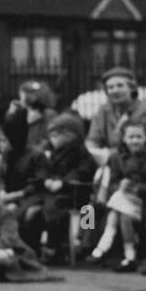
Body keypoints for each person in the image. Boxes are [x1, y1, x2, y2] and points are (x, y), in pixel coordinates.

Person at [90, 120, 146, 272]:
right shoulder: (117, 157)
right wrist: (120, 185)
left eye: (139, 136)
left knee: (115, 206)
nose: (135, 140)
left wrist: (132, 187)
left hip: (145, 199)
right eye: (131, 137)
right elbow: (112, 182)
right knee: (90, 208)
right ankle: (88, 243)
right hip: (119, 200)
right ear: (124, 139)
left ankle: (110, 244)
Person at [21, 112, 97, 264]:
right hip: (50, 194)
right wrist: (46, 180)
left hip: (74, 196)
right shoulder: (50, 152)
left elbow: (82, 173)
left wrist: (62, 183)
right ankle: (31, 250)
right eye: (51, 135)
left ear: (70, 135)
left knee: (49, 210)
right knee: (29, 211)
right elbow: (42, 170)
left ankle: (53, 248)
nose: (52, 138)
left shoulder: (81, 154)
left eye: (56, 135)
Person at [85, 66, 146, 169]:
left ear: (131, 88)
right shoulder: (103, 110)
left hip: (136, 162)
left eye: (120, 85)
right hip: (106, 161)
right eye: (110, 87)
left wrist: (111, 153)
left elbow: (140, 144)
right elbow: (93, 139)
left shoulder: (143, 110)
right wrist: (91, 150)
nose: (115, 90)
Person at [4, 81, 56, 153]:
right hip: (21, 151)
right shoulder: (19, 112)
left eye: (22, 95)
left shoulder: (48, 114)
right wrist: (11, 113)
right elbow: (9, 132)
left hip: (39, 153)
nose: (21, 99)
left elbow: (49, 137)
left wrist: (34, 152)